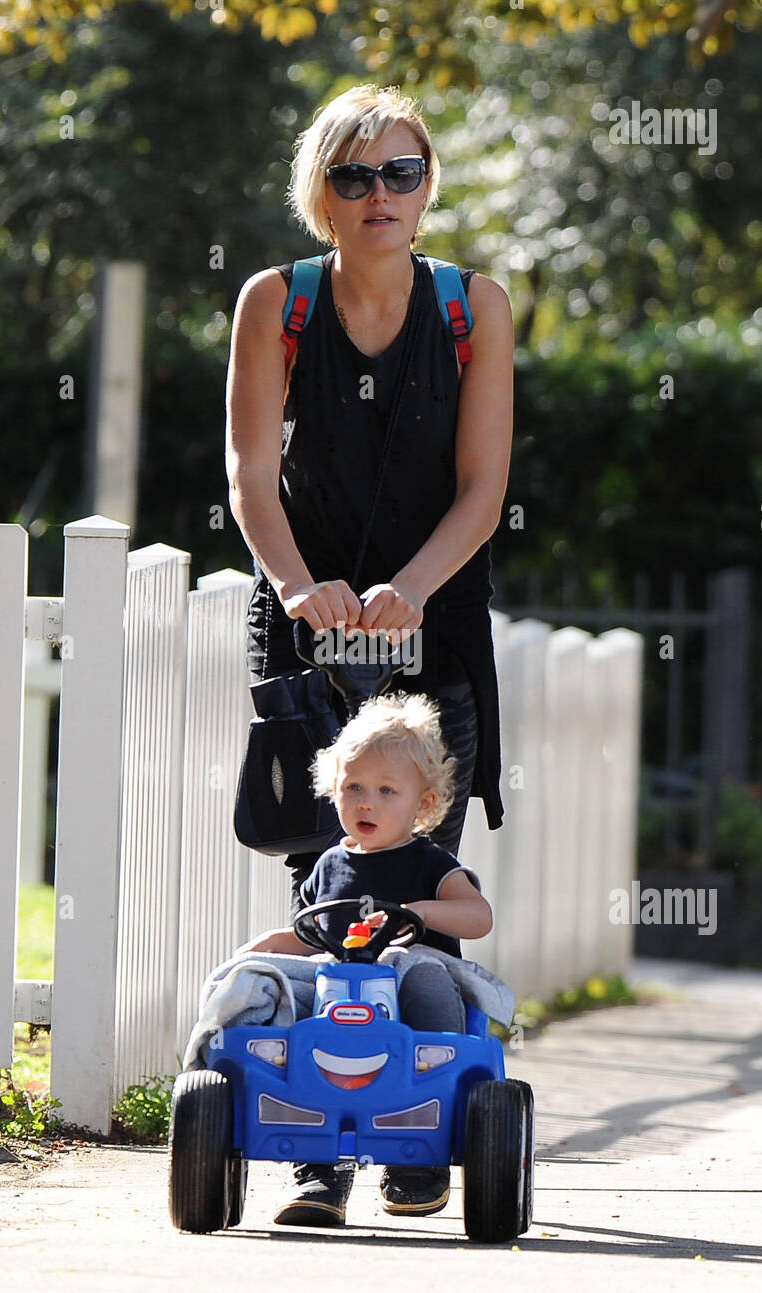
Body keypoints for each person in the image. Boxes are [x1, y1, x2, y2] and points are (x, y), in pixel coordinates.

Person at [225, 82, 513, 1213]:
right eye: (354, 176)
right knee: (322, 871)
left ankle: (417, 1128)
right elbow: (250, 472)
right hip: (304, 604)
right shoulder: (276, 302)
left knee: (417, 871)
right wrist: (301, 589)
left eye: (399, 173)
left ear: (426, 185)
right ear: (323, 196)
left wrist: (409, 590)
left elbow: (485, 489)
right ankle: (315, 1153)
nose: (378, 195)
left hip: (432, 609)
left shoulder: (471, 307)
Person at [243, 690, 493, 1227]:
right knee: (288, 989)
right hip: (339, 1006)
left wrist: (414, 913)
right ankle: (319, 1173)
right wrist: (265, 946)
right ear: (332, 788)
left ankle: (419, 1154)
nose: (366, 803)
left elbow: (478, 916)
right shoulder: (329, 865)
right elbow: (311, 935)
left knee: (422, 971)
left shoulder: (430, 861)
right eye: (353, 787)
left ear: (422, 804)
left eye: (386, 790)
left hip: (408, 1007)